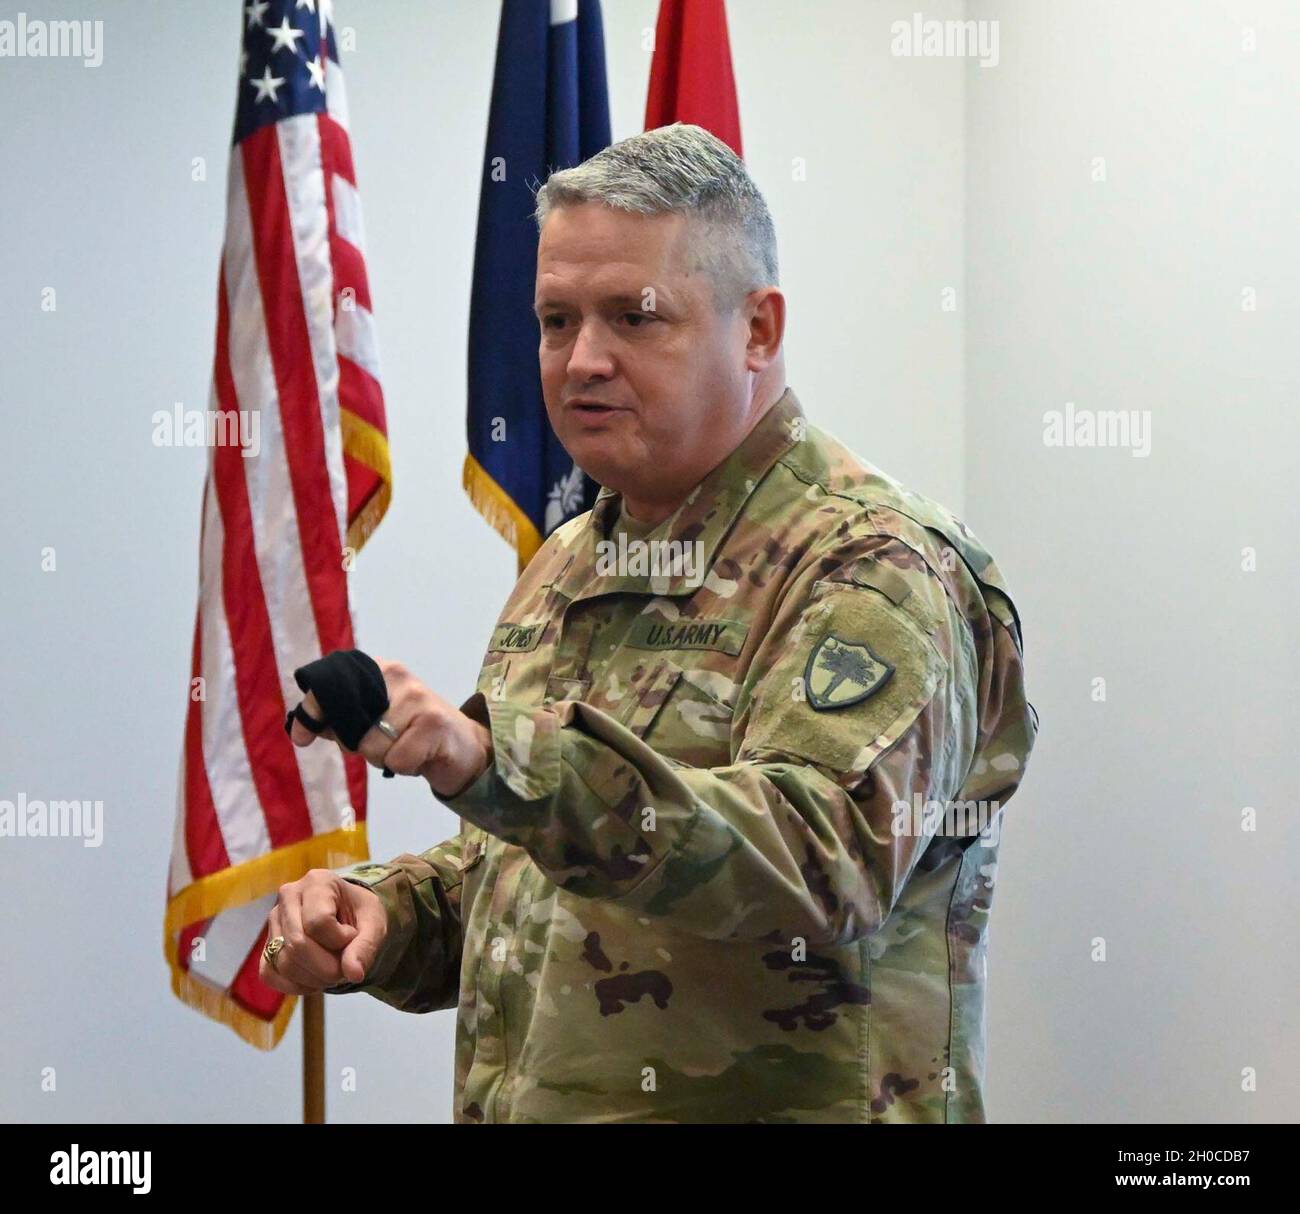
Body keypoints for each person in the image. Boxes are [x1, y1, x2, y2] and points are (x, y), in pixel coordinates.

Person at [259, 123, 1038, 1124]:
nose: (582, 359)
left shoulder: (872, 566)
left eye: (634, 316)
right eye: (554, 319)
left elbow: (817, 862)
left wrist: (495, 760)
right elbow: (538, 886)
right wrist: (388, 913)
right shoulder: (571, 563)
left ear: (757, 329)